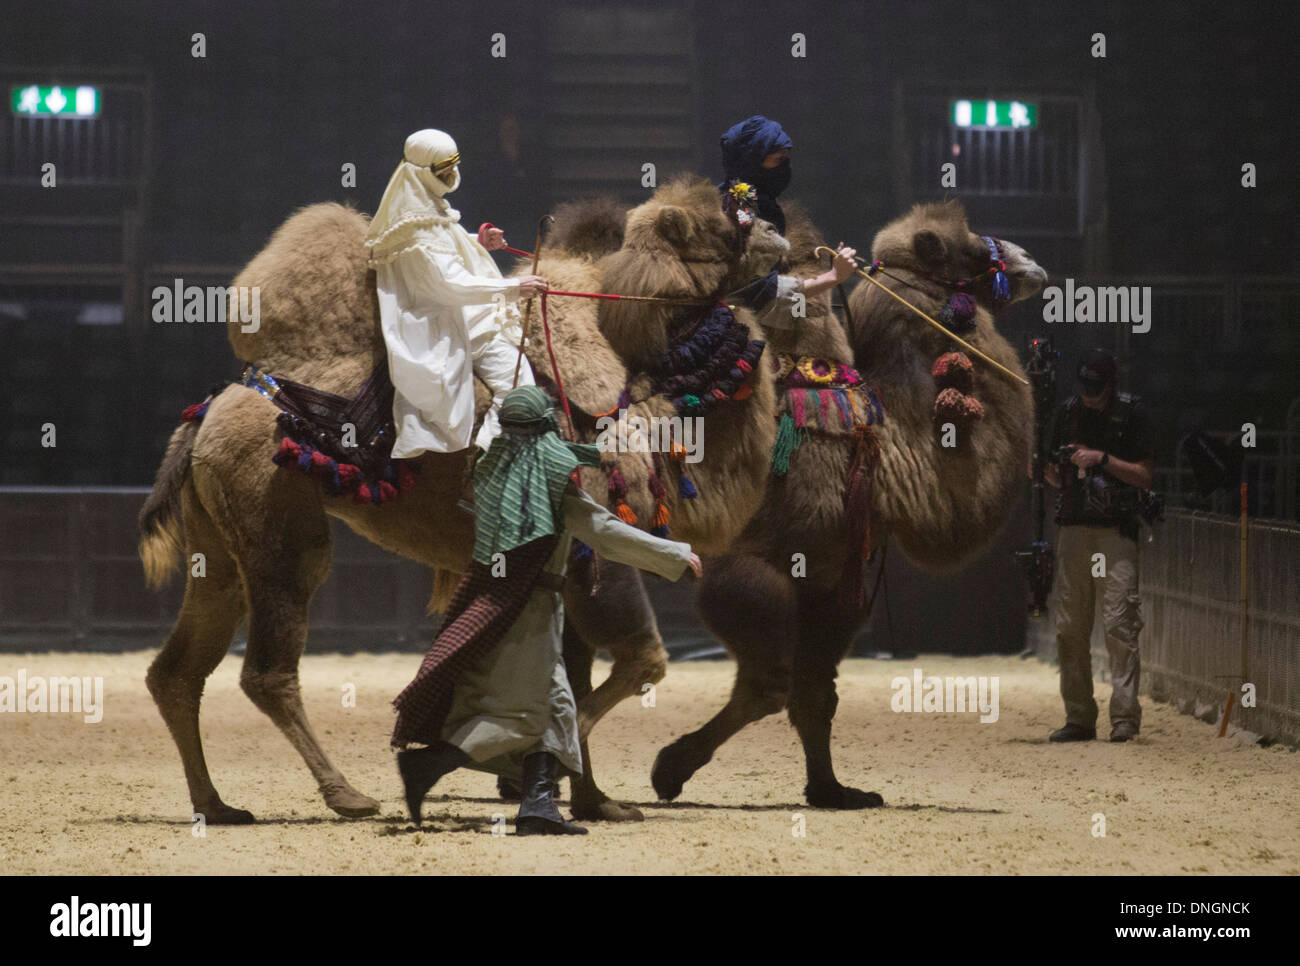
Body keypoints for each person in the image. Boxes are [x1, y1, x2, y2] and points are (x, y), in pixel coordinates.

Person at [391, 386, 703, 835]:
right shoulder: (554, 484)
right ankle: (429, 763)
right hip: (533, 607)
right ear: (544, 429)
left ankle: (538, 806)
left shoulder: (491, 472)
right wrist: (674, 556)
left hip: (494, 599)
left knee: (557, 707)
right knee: (528, 715)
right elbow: (603, 530)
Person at [364, 128, 548, 457]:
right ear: (423, 173)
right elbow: (449, 284)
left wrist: (479, 241)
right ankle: (488, 463)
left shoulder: (421, 205)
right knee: (520, 385)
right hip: (439, 321)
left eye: (453, 165)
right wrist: (514, 288)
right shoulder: (413, 226)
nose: (451, 175)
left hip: (458, 312)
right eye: (443, 170)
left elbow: (443, 241)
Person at [1044, 348, 1154, 743]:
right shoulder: (1067, 412)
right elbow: (1055, 478)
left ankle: (1124, 718)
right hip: (1074, 528)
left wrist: (1101, 459)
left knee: (1119, 625)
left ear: (1111, 385)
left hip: (1115, 531)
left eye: (1096, 388)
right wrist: (1049, 467)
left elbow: (1143, 476)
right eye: (1084, 387)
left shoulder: (1132, 413)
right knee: (1070, 627)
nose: (1089, 395)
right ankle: (1079, 716)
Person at [717, 114, 858, 328]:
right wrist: (833, 276)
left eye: (786, 158)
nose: (785, 167)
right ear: (753, 162)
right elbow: (752, 290)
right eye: (778, 160)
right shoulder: (733, 212)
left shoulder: (760, 206)